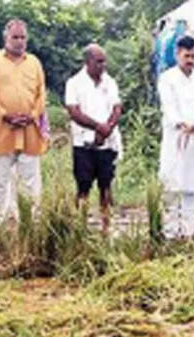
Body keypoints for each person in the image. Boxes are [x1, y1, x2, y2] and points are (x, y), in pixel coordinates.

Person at [0, 19, 49, 225]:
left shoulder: (34, 62)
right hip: (1, 130)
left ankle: (29, 226)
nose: (19, 42)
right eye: (15, 37)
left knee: (30, 184)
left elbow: (41, 94)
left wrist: (33, 114)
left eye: (23, 37)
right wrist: (4, 114)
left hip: (29, 131)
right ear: (6, 38)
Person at [157, 35, 194, 240]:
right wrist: (181, 123)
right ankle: (170, 232)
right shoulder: (167, 78)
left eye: (193, 56)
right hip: (175, 137)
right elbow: (168, 107)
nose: (190, 60)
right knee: (171, 184)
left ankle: (188, 231)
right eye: (186, 56)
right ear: (177, 54)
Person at [64, 43, 123, 233]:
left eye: (104, 61)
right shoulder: (74, 83)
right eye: (98, 61)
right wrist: (98, 127)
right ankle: (80, 228)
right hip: (84, 143)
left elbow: (117, 108)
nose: (103, 65)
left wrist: (108, 128)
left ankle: (106, 228)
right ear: (87, 62)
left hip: (107, 142)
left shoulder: (109, 82)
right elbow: (74, 112)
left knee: (106, 186)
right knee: (83, 186)